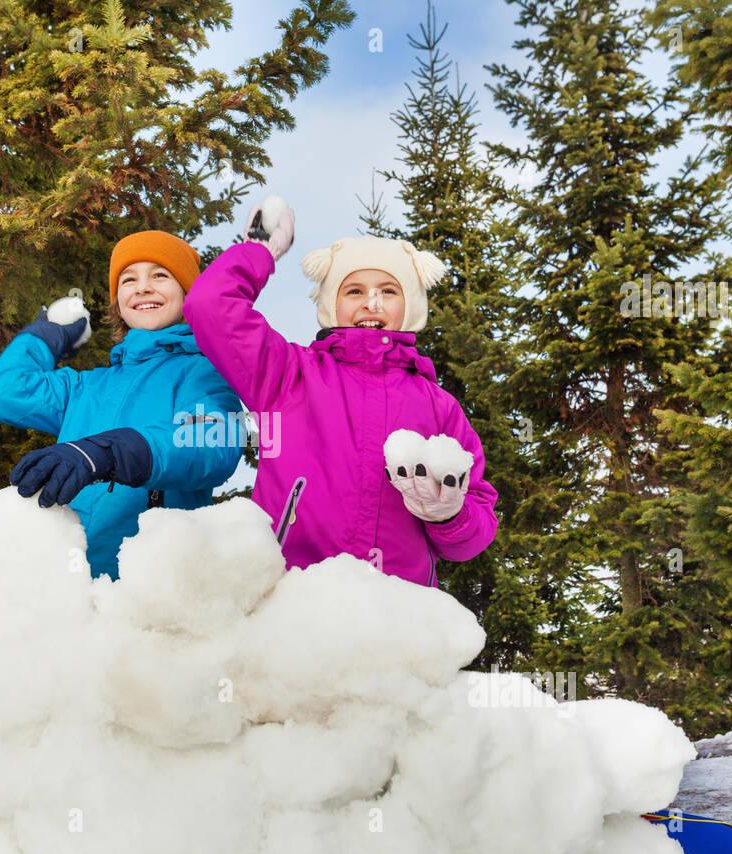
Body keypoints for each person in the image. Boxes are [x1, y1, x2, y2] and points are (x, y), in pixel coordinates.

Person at [182, 205, 498, 587]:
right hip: (291, 602)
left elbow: (472, 539)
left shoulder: (439, 407)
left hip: (400, 616)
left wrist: (448, 512)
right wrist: (259, 250)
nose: (372, 303)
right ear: (332, 303)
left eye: (388, 291)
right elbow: (210, 305)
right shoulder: (288, 375)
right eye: (354, 291)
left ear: (409, 305)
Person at [0, 230, 243, 579]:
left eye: (160, 275)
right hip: (69, 585)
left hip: (149, 584)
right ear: (117, 302)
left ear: (188, 293)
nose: (143, 287)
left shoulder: (203, 371)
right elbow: (1, 391)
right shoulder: (87, 386)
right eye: (129, 279)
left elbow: (213, 443)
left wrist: (112, 451)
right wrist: (49, 334)